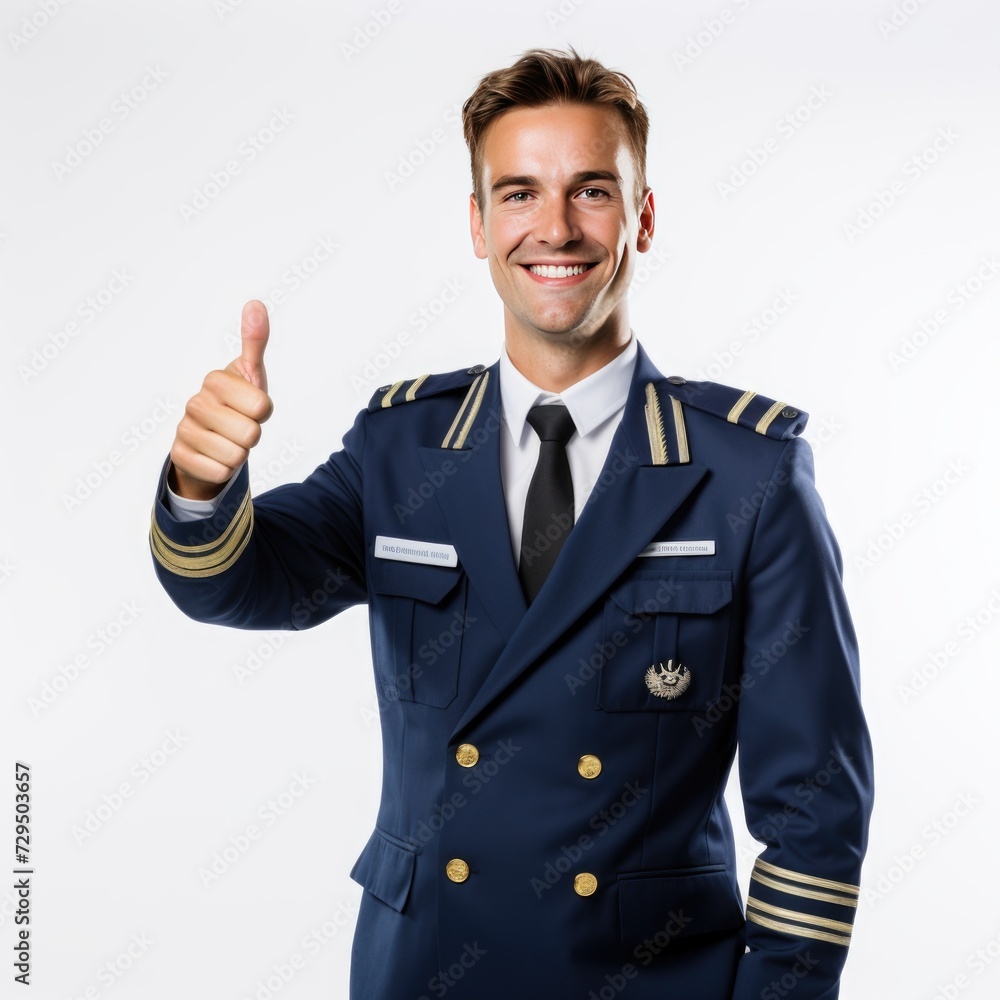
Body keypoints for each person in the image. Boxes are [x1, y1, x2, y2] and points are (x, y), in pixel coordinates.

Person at [150, 47, 874, 1000]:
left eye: (593, 191)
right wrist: (203, 486)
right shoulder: (401, 448)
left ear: (643, 217)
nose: (556, 228)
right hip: (424, 973)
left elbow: (815, 807)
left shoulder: (749, 469)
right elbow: (242, 585)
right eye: (520, 194)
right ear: (480, 225)